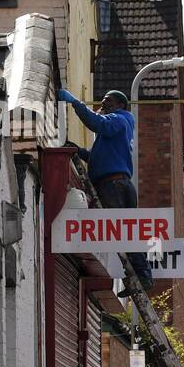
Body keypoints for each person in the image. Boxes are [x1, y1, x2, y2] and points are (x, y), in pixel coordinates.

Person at [57, 88, 153, 289]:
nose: (103, 104)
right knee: (128, 232)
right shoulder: (119, 128)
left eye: (108, 100)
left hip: (112, 185)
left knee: (121, 232)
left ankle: (143, 278)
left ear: (120, 105)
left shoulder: (118, 119)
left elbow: (97, 123)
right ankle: (142, 277)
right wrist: (79, 151)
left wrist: (75, 102)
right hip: (119, 183)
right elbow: (96, 157)